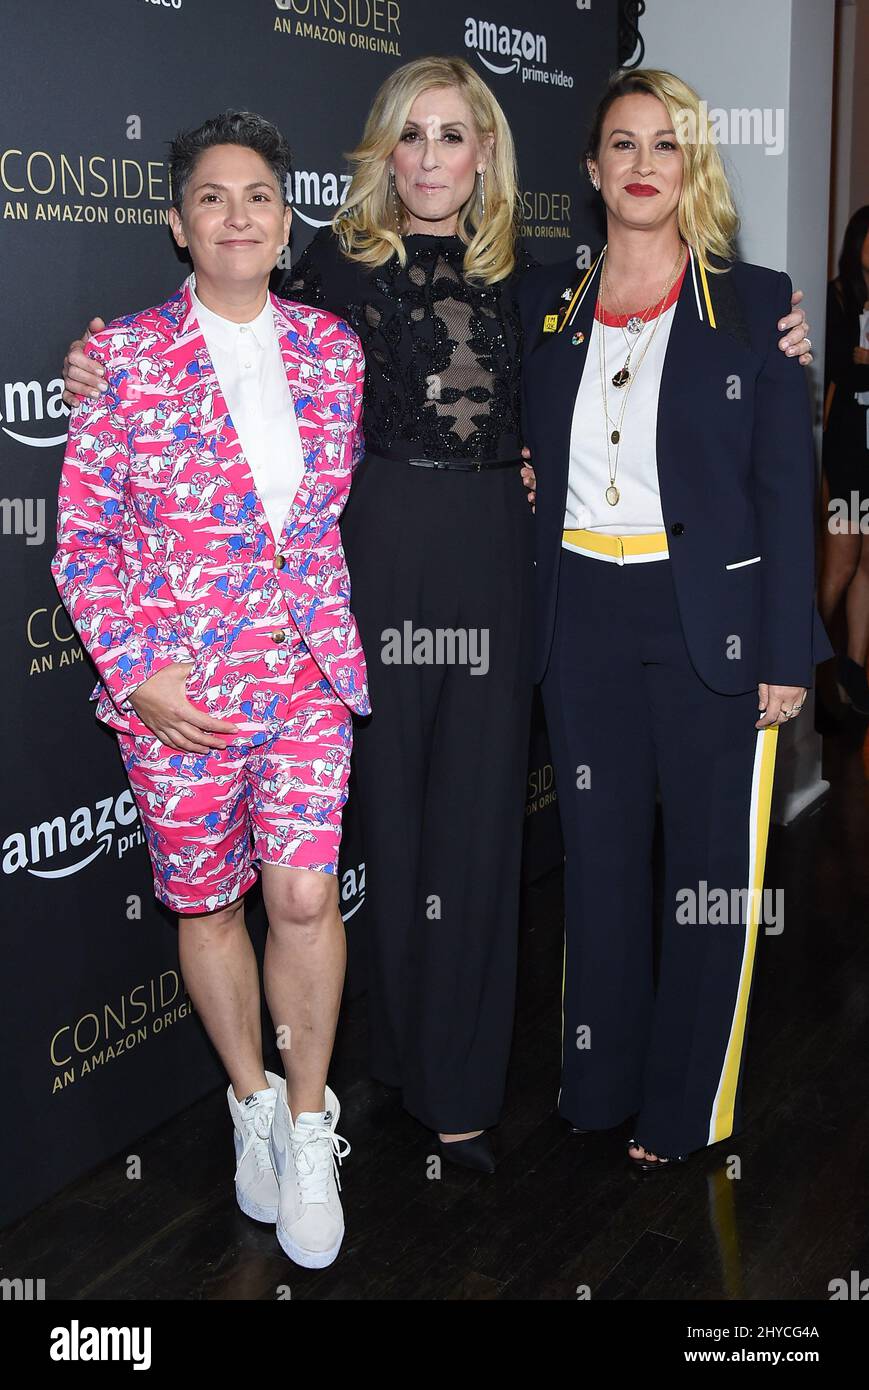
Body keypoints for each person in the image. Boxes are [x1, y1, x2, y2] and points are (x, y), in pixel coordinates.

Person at [60, 59, 813, 1177]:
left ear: (485, 154)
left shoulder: (540, 279)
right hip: (369, 569)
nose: (428, 157)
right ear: (383, 151)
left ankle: (465, 1087)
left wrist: (780, 334)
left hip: (499, 575)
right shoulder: (329, 268)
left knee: (476, 832)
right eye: (410, 135)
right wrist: (93, 366)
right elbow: (234, 336)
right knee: (393, 832)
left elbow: (647, 398)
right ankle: (396, 1070)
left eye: (453, 135)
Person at [52, 111, 366, 1268]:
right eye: (215, 198)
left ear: (287, 221)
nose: (240, 215)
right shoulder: (122, 356)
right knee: (206, 906)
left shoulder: (334, 349)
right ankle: (249, 1106)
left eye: (260, 198)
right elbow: (81, 542)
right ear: (178, 224)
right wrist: (139, 676)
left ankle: (309, 1116)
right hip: (176, 696)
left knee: (300, 895)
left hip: (304, 675)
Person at [518, 68, 831, 1171]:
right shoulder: (541, 299)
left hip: (714, 623)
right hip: (580, 613)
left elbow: (788, 490)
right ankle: (596, 1083)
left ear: (689, 165)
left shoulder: (753, 302)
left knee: (706, 878)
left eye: (665, 144)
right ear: (592, 169)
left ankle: (684, 1105)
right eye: (621, 144)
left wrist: (788, 650)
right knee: (599, 861)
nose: (642, 163)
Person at [817, 206, 869, 714]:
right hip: (848, 453)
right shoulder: (837, 297)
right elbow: (827, 386)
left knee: (867, 565)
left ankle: (853, 674)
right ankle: (809, 657)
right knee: (840, 564)